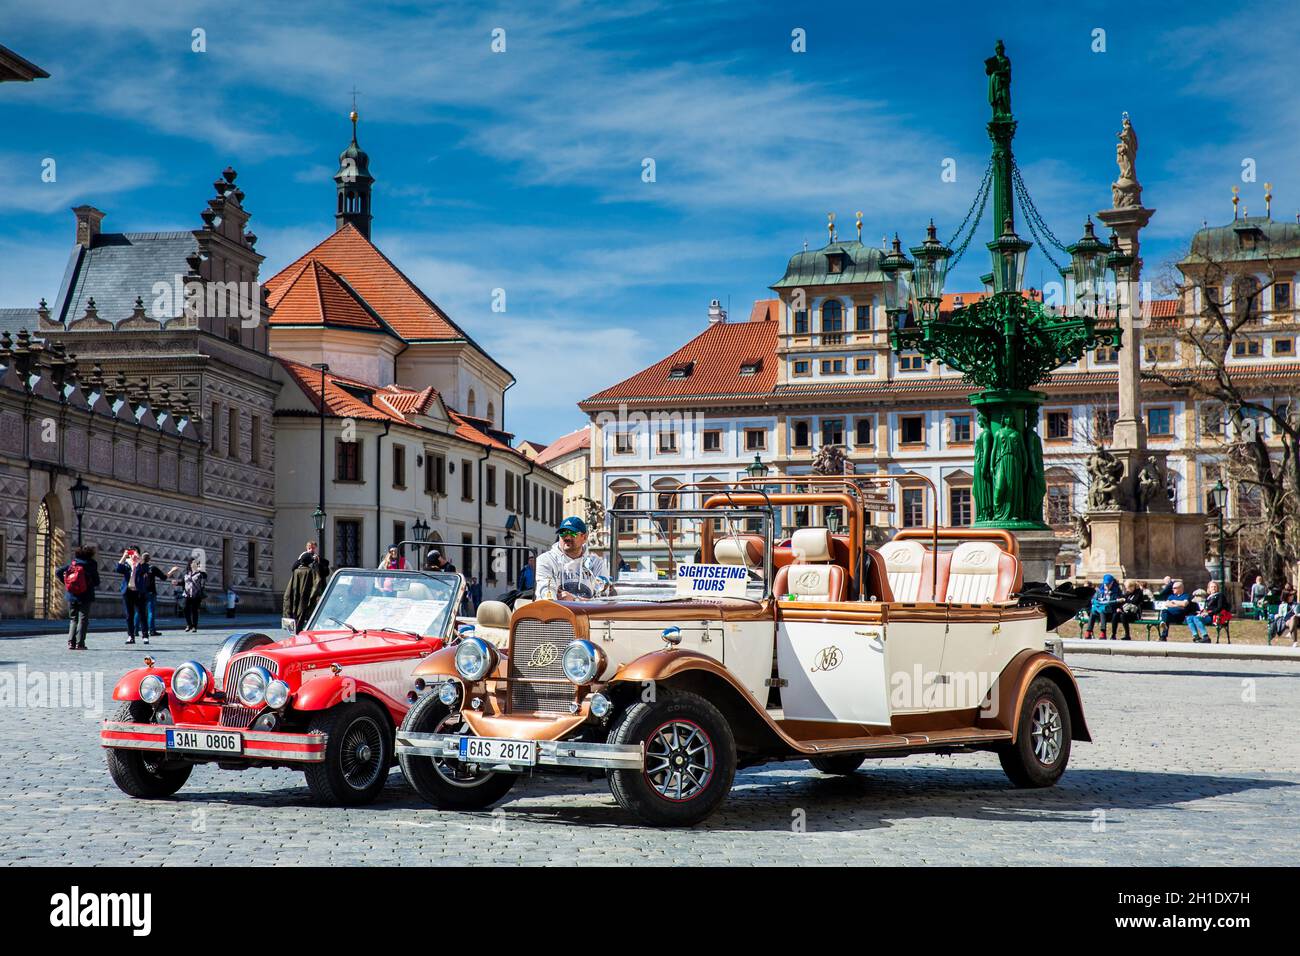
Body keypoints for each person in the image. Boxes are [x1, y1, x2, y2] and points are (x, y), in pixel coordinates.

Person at [536, 516, 610, 601]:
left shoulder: (596, 563)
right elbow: (546, 593)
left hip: (587, 613)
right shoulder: (546, 560)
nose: (566, 537)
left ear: (584, 537)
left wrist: (575, 600)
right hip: (555, 613)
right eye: (562, 533)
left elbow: (602, 599)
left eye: (572, 533)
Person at [56, 545, 101, 651]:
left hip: (72, 595)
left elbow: (58, 571)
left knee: (73, 619)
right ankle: (80, 643)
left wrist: (66, 583)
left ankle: (71, 642)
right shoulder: (92, 564)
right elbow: (97, 581)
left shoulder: (73, 563)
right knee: (83, 619)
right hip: (86, 595)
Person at [115, 546, 149, 645]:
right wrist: (124, 556)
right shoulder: (126, 563)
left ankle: (145, 636)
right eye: (131, 553)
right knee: (129, 615)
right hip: (128, 591)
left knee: (142, 614)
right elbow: (118, 569)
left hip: (139, 592)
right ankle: (131, 636)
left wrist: (139, 559)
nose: (133, 555)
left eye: (135, 552)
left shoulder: (141, 564)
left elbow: (145, 569)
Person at [138, 552, 177, 637]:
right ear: (149, 559)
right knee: (151, 611)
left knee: (139, 611)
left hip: (141, 591)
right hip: (151, 592)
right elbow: (164, 577)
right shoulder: (152, 568)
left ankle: (134, 630)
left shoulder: (139, 567)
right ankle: (152, 630)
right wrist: (172, 570)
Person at [283, 551, 318, 632]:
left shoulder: (296, 571)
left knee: (296, 622)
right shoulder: (311, 571)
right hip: (306, 599)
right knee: (303, 622)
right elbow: (316, 585)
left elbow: (289, 591)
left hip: (296, 599)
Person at [1084, 573, 1120, 639]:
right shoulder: (1100, 590)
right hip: (1100, 612)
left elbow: (1116, 602)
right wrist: (1098, 602)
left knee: (1101, 610)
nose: (1106, 585)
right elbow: (1093, 600)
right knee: (1093, 611)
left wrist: (1106, 601)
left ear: (1112, 583)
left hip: (1111, 612)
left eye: (1108, 584)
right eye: (1105, 584)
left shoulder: (1116, 591)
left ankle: (1103, 632)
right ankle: (1088, 631)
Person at [180, 559, 207, 632]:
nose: (194, 564)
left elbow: (205, 576)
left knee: (194, 611)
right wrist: (177, 583)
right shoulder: (186, 573)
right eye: (193, 563)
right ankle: (189, 625)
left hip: (196, 594)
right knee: (185, 608)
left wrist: (200, 569)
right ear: (190, 564)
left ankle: (194, 626)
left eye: (195, 563)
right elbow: (183, 582)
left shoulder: (200, 573)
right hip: (187, 594)